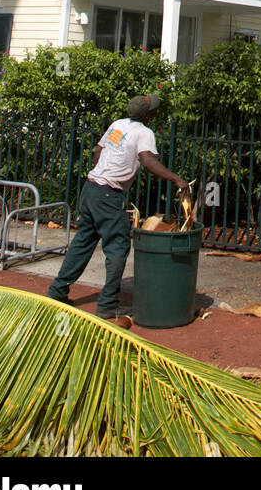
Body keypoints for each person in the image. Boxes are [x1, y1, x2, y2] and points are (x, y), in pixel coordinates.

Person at [48, 94, 190, 321]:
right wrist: (176, 179)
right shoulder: (144, 132)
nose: (155, 112)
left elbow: (98, 152)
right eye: (153, 110)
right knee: (118, 248)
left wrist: (103, 174)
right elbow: (147, 161)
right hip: (108, 194)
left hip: (91, 188)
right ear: (147, 115)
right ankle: (107, 305)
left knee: (83, 242)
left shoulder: (117, 125)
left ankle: (57, 291)